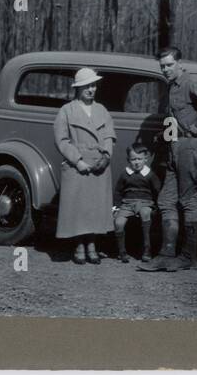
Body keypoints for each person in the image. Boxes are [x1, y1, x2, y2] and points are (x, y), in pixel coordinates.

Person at [142, 47, 197, 272]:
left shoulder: (189, 82)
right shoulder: (172, 87)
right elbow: (176, 119)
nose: (166, 69)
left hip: (191, 149)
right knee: (166, 201)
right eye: (162, 66)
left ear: (179, 62)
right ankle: (166, 255)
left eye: (169, 65)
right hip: (173, 149)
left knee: (188, 202)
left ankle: (189, 257)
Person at [53, 67, 116, 264]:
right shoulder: (67, 111)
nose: (91, 89)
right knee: (78, 208)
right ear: (78, 88)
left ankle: (92, 245)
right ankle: (79, 245)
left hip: (99, 165)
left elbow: (109, 135)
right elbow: (62, 140)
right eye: (87, 86)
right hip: (77, 164)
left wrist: (106, 156)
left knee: (96, 208)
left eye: (93, 85)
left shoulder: (102, 110)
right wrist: (78, 161)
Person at [113, 144, 162, 263]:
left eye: (139, 159)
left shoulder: (150, 175)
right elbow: (118, 191)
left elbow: (158, 191)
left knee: (146, 213)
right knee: (118, 223)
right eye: (133, 159)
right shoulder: (125, 174)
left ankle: (147, 249)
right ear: (128, 160)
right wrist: (115, 207)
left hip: (145, 202)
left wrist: (156, 206)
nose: (136, 162)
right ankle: (122, 252)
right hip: (127, 203)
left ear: (146, 159)